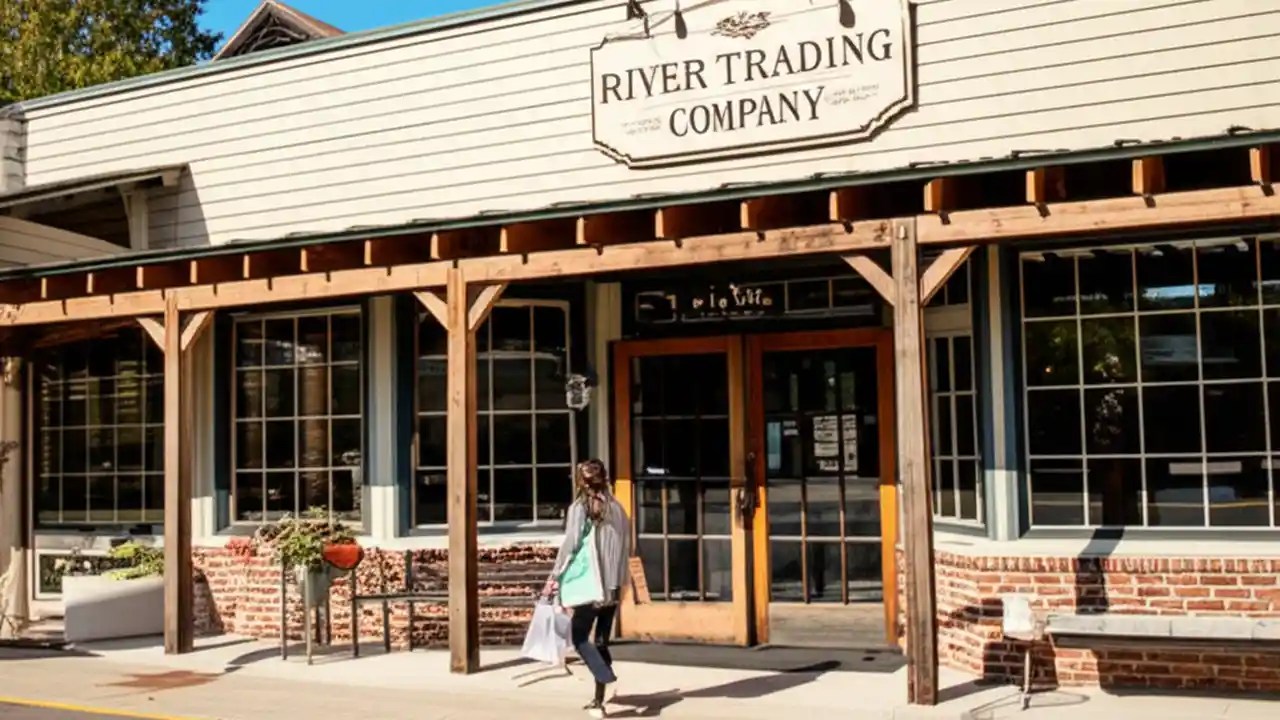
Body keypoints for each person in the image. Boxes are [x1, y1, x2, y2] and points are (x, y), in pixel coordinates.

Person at [543, 459, 632, 719]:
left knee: (580, 637)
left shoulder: (579, 508)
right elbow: (627, 544)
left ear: (580, 481)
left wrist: (555, 576)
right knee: (601, 641)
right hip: (613, 585)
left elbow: (571, 545)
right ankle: (598, 699)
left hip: (590, 584)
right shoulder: (617, 508)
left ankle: (604, 677)